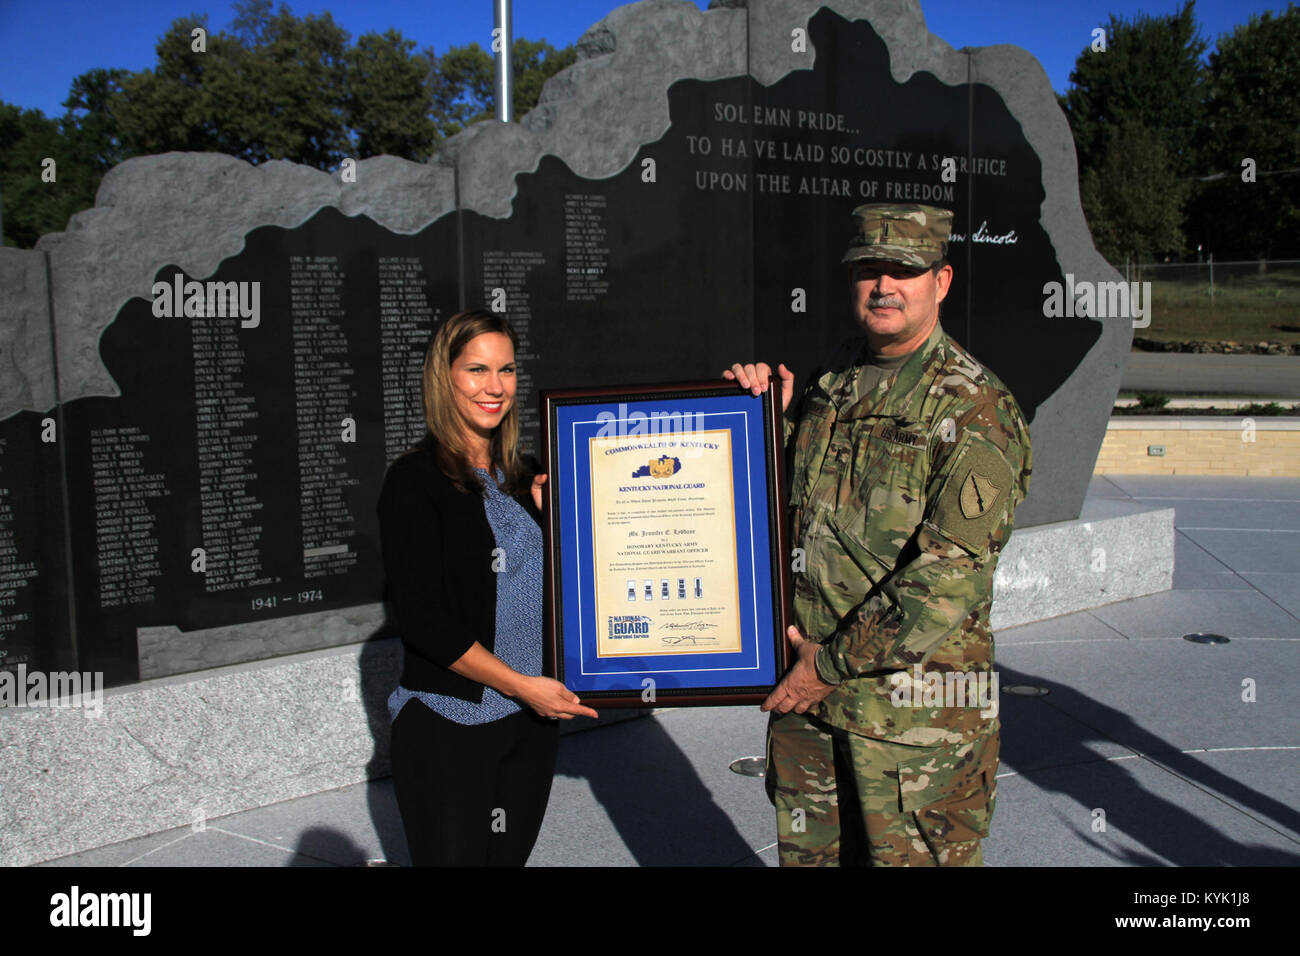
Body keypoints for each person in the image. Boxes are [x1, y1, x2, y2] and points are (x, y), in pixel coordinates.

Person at [725, 203, 1032, 866]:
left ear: (941, 282)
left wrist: (827, 668)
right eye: (868, 269)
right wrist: (753, 426)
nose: (884, 285)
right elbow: (800, 503)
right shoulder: (833, 378)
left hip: (910, 729)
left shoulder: (974, 407)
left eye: (904, 270)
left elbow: (948, 578)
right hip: (810, 711)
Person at [378, 309, 597, 867]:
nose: (494, 386)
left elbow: (574, 585)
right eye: (477, 370)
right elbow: (426, 621)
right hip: (450, 727)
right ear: (444, 377)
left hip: (529, 725)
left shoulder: (526, 475)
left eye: (506, 370)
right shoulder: (415, 481)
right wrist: (522, 685)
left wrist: (558, 524)